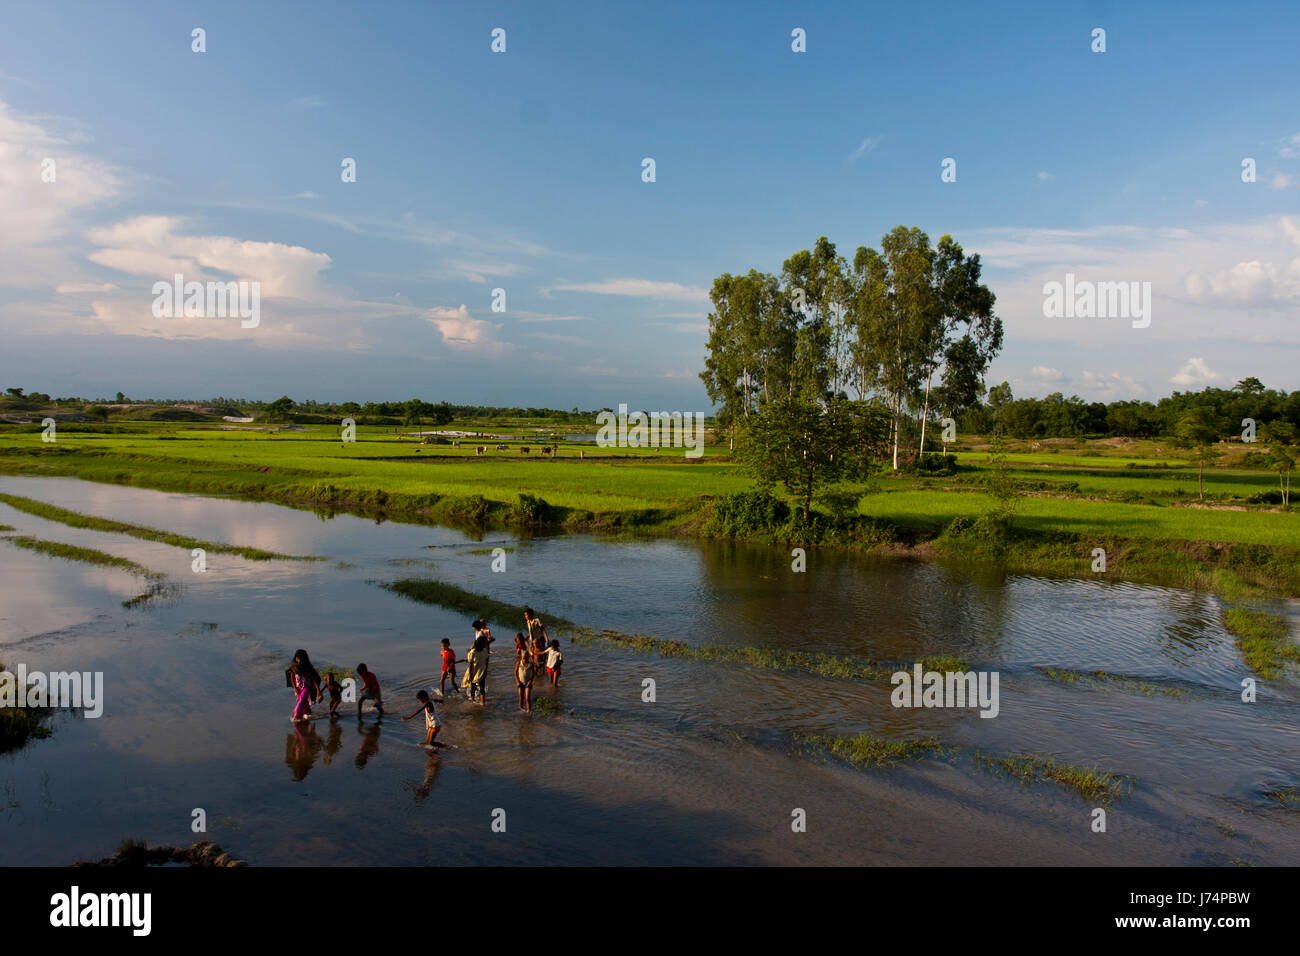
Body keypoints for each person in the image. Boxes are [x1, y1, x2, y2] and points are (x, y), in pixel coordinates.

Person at [285, 649, 321, 722]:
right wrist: (295, 688)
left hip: (307, 687)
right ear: (296, 658)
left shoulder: (307, 667)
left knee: (301, 700)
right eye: (298, 659)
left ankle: (296, 716)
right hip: (298, 687)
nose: (300, 661)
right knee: (304, 701)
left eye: (302, 659)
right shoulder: (294, 666)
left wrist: (318, 691)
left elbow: (314, 678)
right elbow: (292, 677)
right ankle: (307, 712)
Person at [465, 634, 490, 704]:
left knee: (482, 688)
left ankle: (482, 703)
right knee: (473, 688)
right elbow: (470, 664)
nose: (486, 643)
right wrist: (470, 675)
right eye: (485, 642)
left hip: (481, 671)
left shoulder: (484, 650)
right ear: (481, 643)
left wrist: (486, 669)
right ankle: (473, 701)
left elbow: (487, 659)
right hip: (473, 671)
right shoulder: (473, 652)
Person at [514, 632, 535, 714]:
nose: (525, 658)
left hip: (528, 683)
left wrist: (531, 681)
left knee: (527, 697)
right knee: (520, 697)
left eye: (526, 657)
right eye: (523, 657)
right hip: (520, 682)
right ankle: (521, 710)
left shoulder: (530, 664)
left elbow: (533, 673)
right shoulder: (519, 663)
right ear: (521, 657)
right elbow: (515, 673)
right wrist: (517, 681)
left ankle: (529, 711)